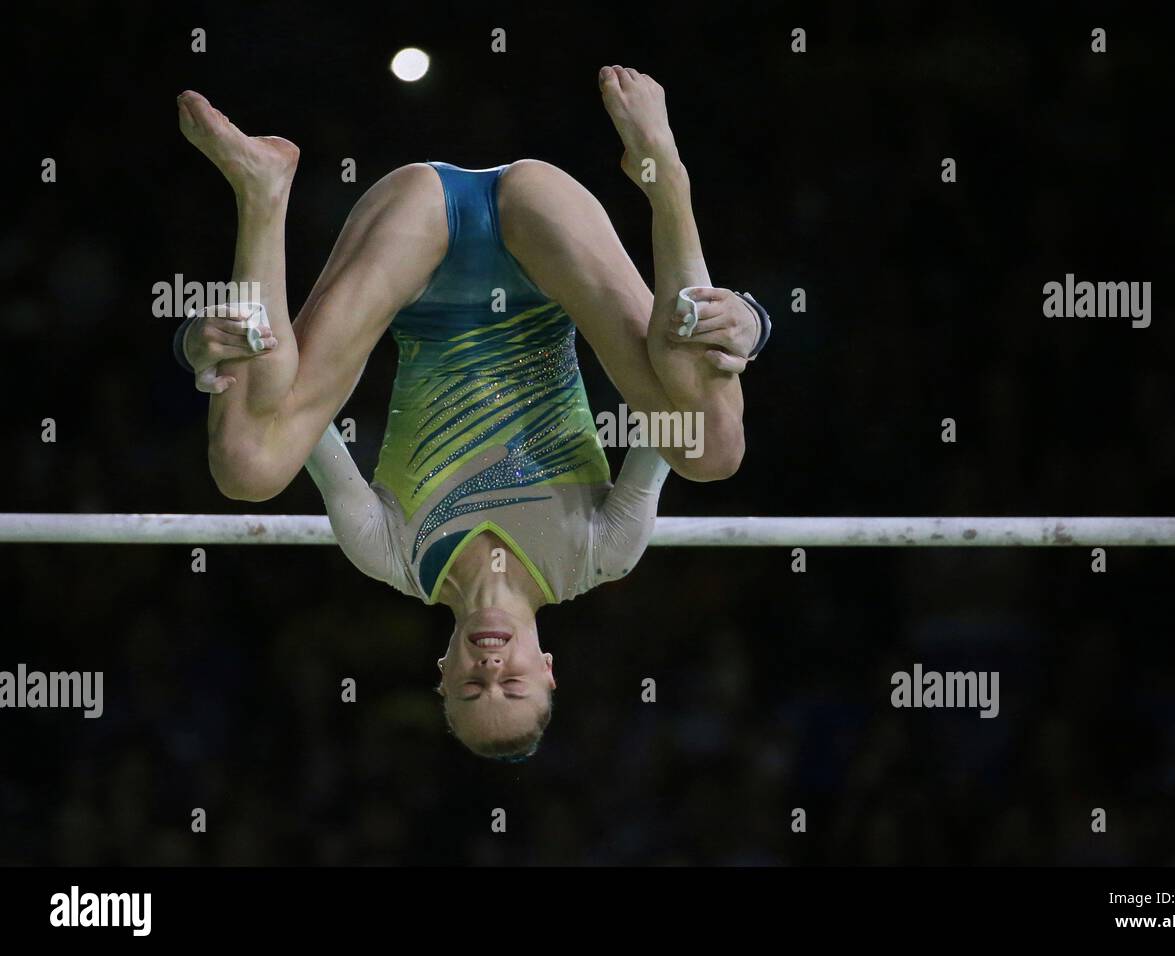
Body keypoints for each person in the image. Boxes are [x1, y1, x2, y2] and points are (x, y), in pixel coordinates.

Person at [172, 66, 771, 759]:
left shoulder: (391, 555)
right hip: (543, 237)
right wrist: (752, 330)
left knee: (249, 464)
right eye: (513, 688)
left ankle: (261, 191)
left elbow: (304, 423)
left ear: (442, 675)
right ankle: (667, 178)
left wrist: (199, 346)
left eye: (470, 691)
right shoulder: (600, 555)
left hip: (413, 243)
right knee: (712, 450)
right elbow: (674, 413)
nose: (491, 672)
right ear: (548, 671)